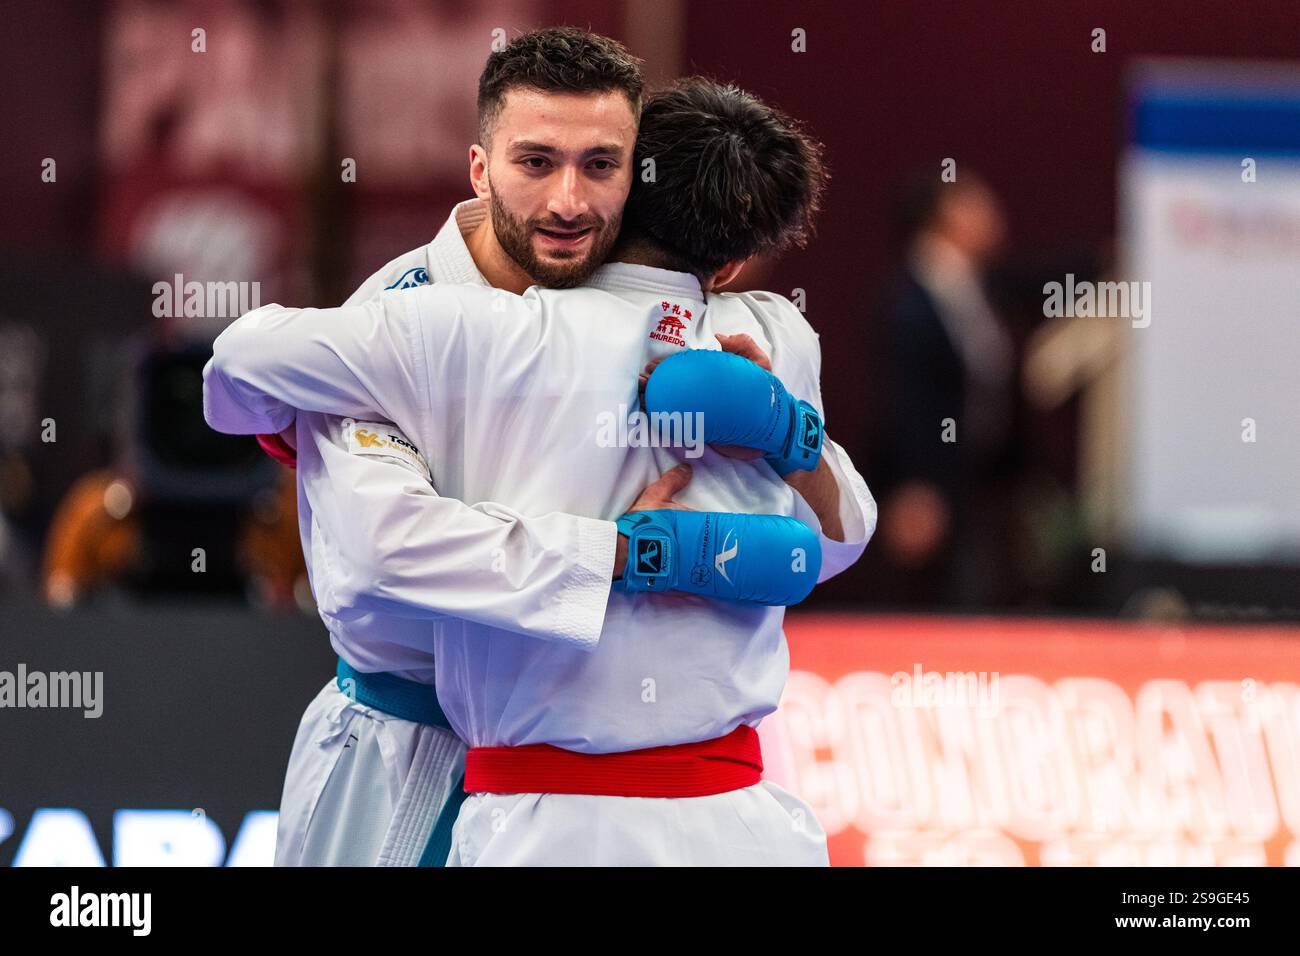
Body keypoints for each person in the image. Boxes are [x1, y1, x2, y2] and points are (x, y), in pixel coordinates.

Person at [206, 74, 874, 865]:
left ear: (635, 184)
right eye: (536, 163)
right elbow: (371, 558)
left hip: (559, 791)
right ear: (480, 169)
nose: (567, 200)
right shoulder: (416, 313)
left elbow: (819, 545)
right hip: (401, 752)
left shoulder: (740, 333)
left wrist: (787, 436)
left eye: (599, 166)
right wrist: (622, 554)